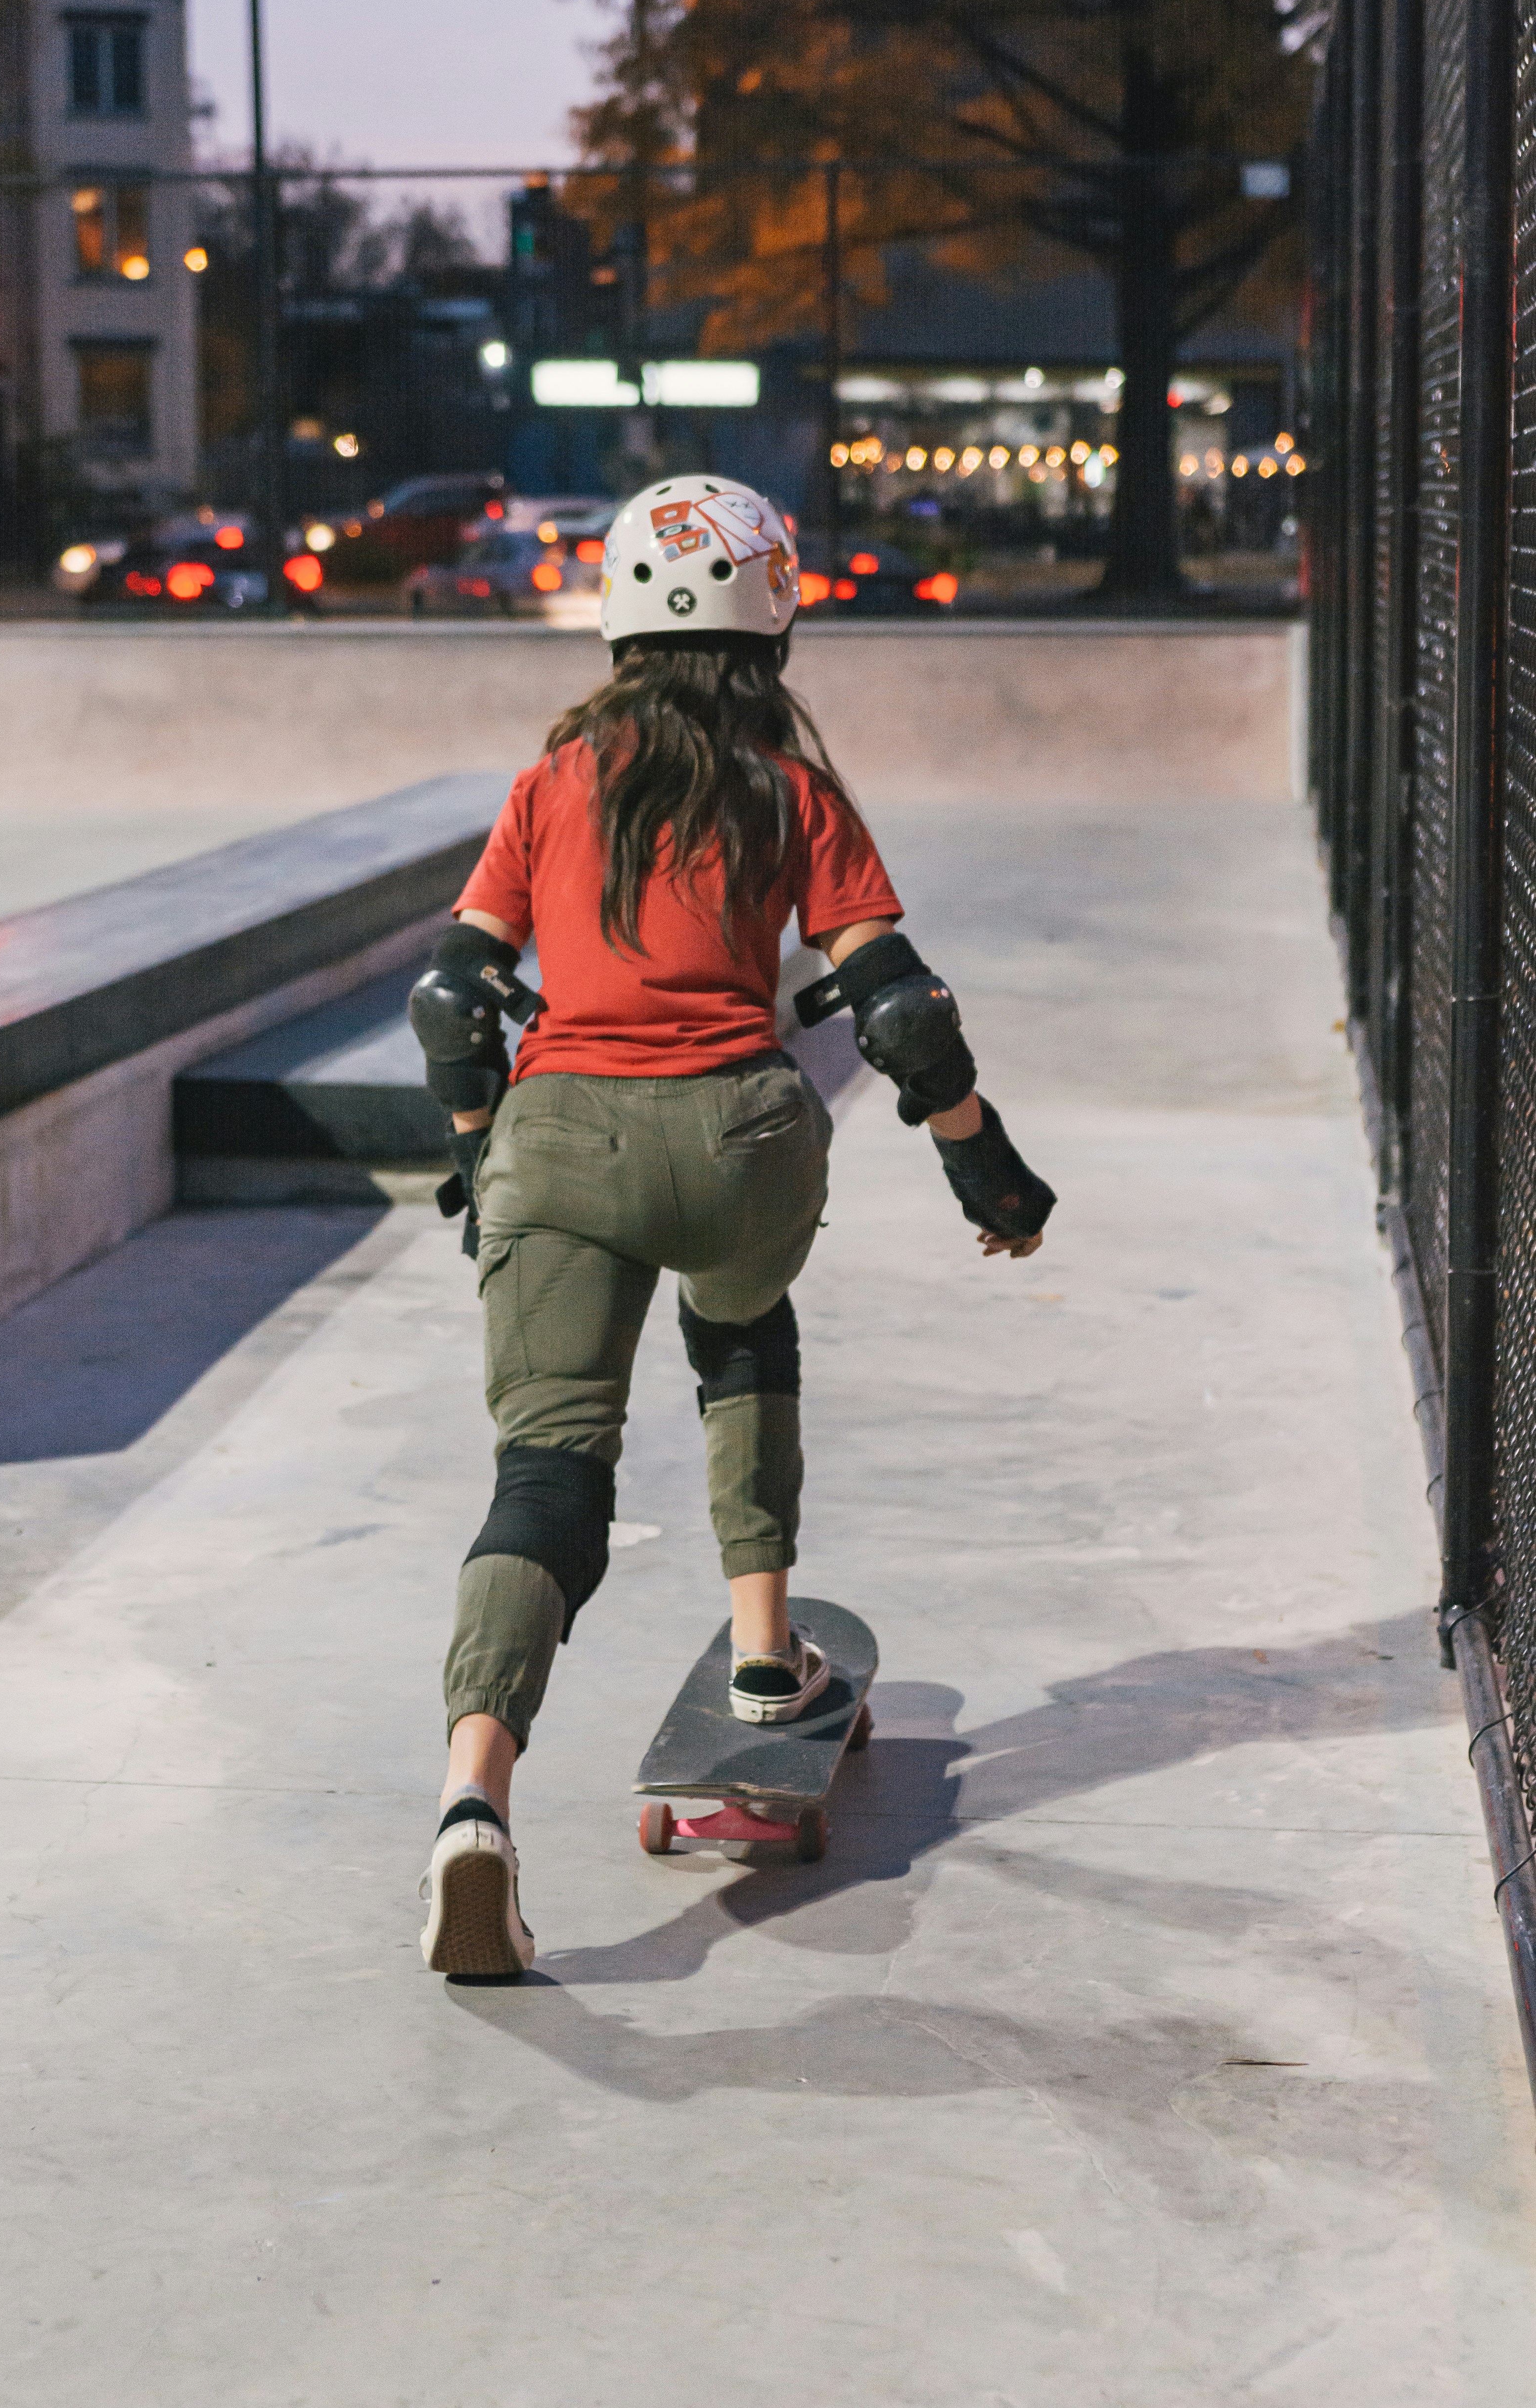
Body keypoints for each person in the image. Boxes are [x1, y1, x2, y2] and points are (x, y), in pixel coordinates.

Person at [410, 474, 1055, 1979]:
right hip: (743, 1142)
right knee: (739, 1323)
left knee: (546, 1475)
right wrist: (985, 1168)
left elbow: (453, 998)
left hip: (555, 1138)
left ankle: (471, 1803)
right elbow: (898, 1006)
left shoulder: (558, 774)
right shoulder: (784, 780)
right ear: (773, 605)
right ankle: (766, 1657)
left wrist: (472, 1157)